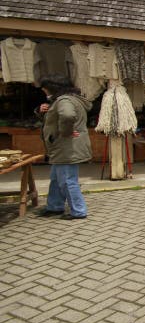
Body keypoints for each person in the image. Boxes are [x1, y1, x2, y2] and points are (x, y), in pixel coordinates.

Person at [36, 74, 93, 220]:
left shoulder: (64, 100)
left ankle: (78, 211)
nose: (44, 92)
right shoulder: (67, 99)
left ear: (53, 88)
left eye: (45, 89)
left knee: (67, 180)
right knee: (56, 178)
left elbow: (67, 116)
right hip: (63, 147)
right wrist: (43, 111)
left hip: (67, 147)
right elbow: (56, 118)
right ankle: (54, 207)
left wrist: (65, 132)